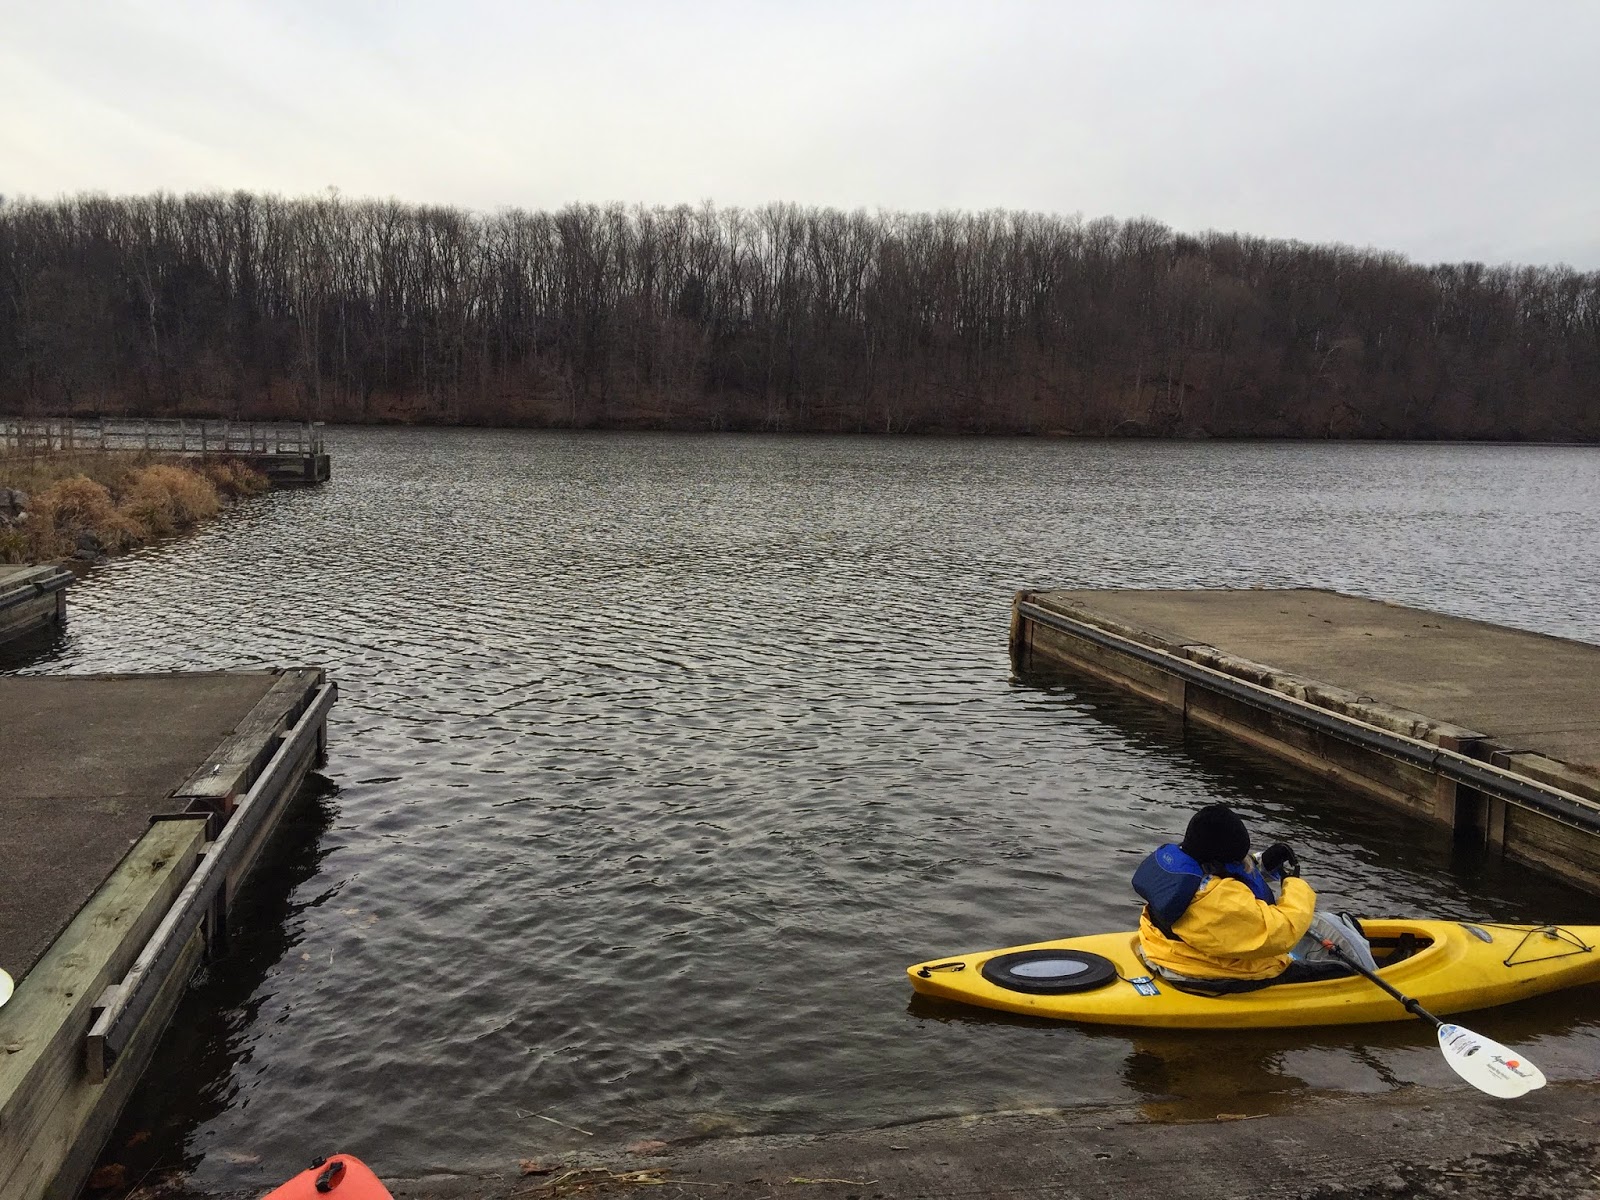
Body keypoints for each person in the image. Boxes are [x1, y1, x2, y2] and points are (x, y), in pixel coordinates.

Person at [1131, 803, 1373, 985]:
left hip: (1162, 950)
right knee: (1337, 955)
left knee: (1321, 924)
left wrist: (1263, 864)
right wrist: (1295, 885)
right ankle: (1373, 980)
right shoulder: (1218, 902)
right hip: (1208, 971)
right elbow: (1283, 932)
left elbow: (1224, 874)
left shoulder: (1187, 865)